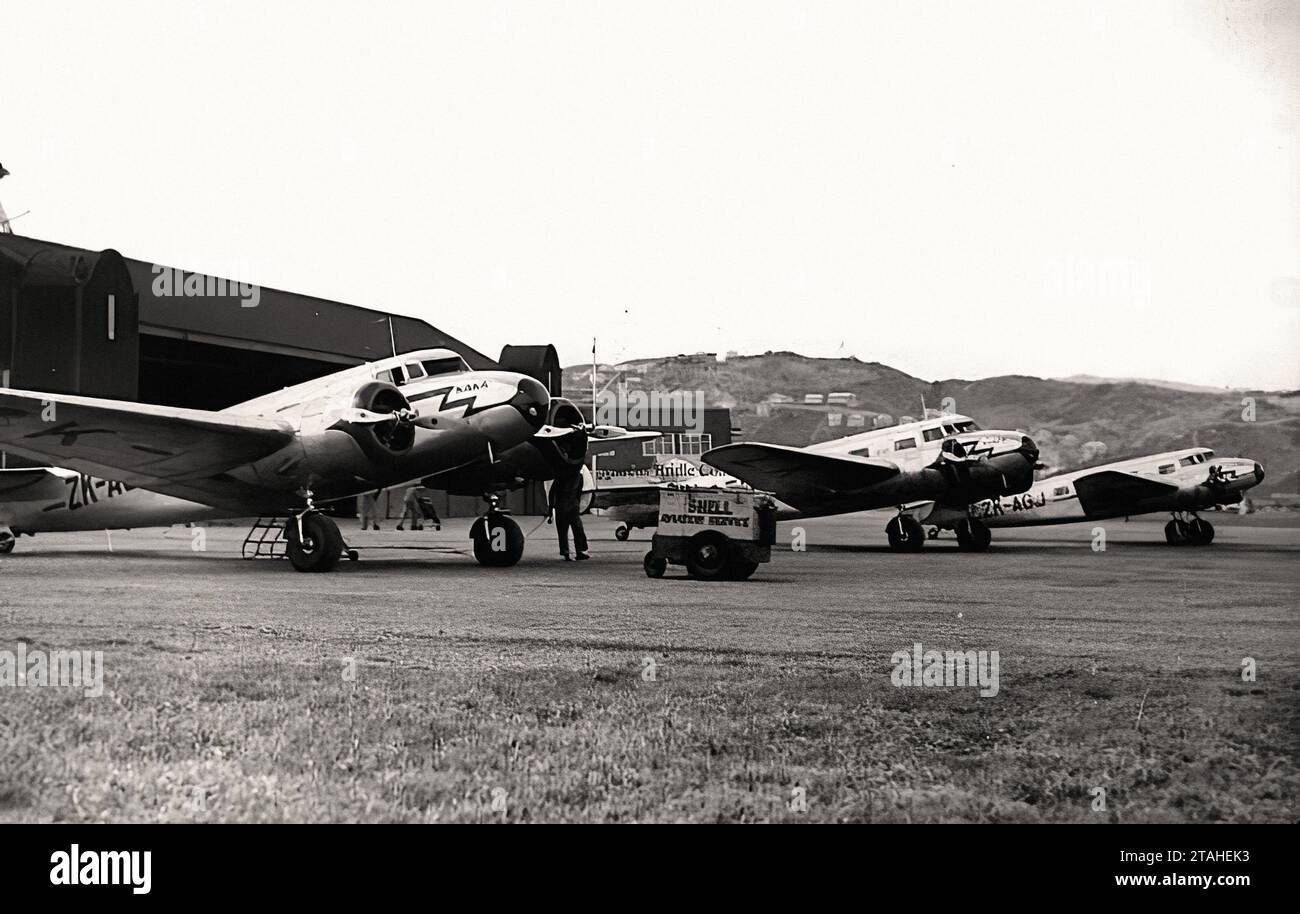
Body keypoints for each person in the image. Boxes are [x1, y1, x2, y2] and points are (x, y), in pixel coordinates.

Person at [547, 464, 588, 561]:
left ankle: (571, 552)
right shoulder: (574, 477)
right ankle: (575, 551)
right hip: (568, 505)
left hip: (566, 506)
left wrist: (550, 511)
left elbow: (552, 493)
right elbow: (578, 492)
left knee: (570, 529)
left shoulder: (564, 476)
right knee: (573, 529)